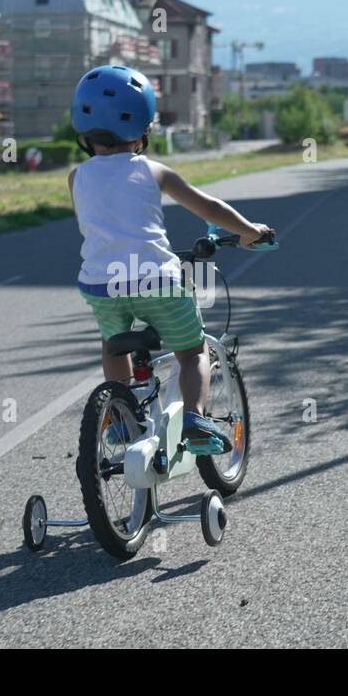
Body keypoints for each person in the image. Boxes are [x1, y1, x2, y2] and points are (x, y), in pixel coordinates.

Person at [67, 65, 273, 454]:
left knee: (114, 345)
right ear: (143, 131)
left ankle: (121, 420)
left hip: (100, 284)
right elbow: (208, 207)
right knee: (193, 350)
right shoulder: (152, 170)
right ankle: (195, 418)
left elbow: (94, 225)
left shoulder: (76, 177)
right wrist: (249, 230)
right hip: (154, 279)